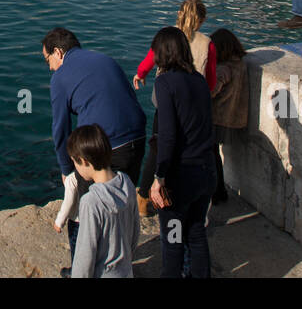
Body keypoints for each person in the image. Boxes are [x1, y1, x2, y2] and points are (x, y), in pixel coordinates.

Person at [44, 27, 146, 257]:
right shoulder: (104, 59)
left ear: (58, 52)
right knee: (121, 207)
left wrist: (66, 169)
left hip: (104, 147)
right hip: (137, 138)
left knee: (81, 213)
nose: (49, 67)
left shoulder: (59, 77)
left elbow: (60, 128)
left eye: (47, 59)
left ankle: (82, 268)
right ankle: (121, 262)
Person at [133, 0, 216, 216]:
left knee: (158, 144)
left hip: (167, 99)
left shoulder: (167, 35)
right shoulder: (208, 43)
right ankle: (203, 193)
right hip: (195, 104)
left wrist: (140, 74)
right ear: (202, 20)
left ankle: (143, 197)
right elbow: (211, 80)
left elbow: (151, 59)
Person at [147, 27, 215, 278]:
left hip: (181, 177)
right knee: (196, 232)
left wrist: (159, 177)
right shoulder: (198, 79)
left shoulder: (165, 83)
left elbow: (167, 134)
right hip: (206, 170)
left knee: (173, 238)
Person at [66, 124, 139, 278]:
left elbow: (85, 255)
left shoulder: (90, 201)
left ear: (85, 162)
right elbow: (135, 232)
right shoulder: (127, 182)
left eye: (75, 162)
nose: (75, 168)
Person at [208, 28, 248, 204]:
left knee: (211, 155)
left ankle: (216, 192)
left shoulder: (223, 69)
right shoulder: (240, 64)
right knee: (214, 154)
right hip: (234, 119)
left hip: (218, 118)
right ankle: (219, 191)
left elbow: (211, 92)